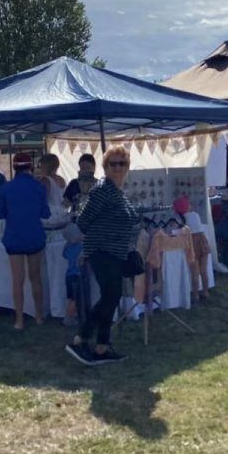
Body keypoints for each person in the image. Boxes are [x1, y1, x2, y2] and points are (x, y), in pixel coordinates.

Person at [66, 146, 138, 366]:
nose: (117, 168)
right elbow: (83, 221)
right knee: (111, 296)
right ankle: (81, 338)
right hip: (102, 252)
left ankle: (102, 347)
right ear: (105, 167)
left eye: (121, 163)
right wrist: (93, 245)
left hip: (115, 253)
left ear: (127, 167)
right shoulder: (102, 190)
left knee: (111, 297)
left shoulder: (118, 193)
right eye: (113, 164)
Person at [0, 153, 50, 330]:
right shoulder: (39, 187)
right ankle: (39, 316)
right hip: (34, 236)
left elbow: (0, 214)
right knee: (36, 278)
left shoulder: (5, 188)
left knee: (17, 280)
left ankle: (19, 320)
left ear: (14, 168)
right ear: (30, 167)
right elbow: (45, 213)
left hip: (14, 237)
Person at [62, 223, 84, 328]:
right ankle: (69, 318)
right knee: (75, 298)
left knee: (72, 297)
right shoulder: (80, 247)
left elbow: (65, 256)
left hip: (69, 275)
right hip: (77, 275)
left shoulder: (67, 247)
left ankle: (74, 315)